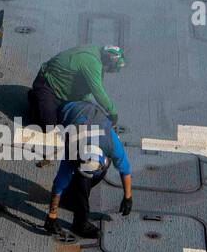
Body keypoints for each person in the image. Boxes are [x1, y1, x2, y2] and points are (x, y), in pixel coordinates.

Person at [44, 98, 132, 238]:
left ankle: (72, 196)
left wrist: (128, 197)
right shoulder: (73, 149)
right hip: (68, 108)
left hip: (90, 112)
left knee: (87, 178)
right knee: (82, 180)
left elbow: (125, 169)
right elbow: (59, 183)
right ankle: (80, 222)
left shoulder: (111, 143)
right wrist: (51, 216)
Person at [28, 45, 125, 127]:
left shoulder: (96, 53)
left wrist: (87, 104)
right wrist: (112, 113)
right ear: (109, 61)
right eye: (112, 68)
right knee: (48, 126)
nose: (111, 71)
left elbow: (87, 89)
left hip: (62, 89)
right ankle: (35, 98)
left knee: (68, 120)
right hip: (48, 85)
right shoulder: (91, 62)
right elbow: (97, 90)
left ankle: (46, 103)